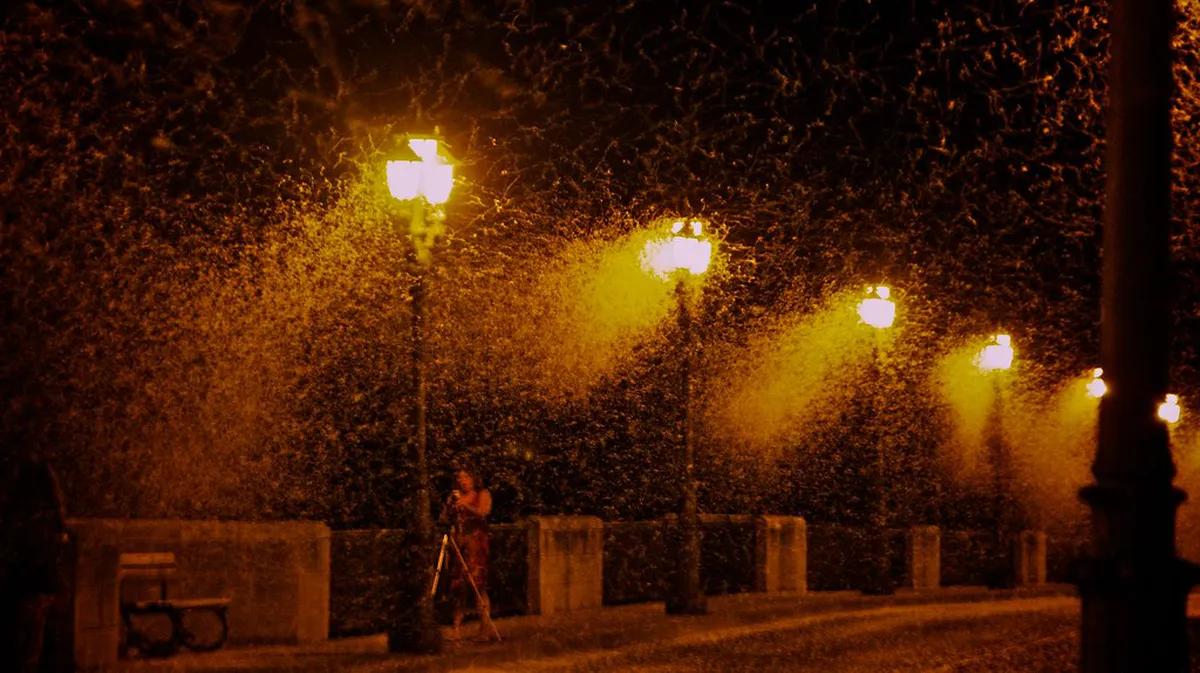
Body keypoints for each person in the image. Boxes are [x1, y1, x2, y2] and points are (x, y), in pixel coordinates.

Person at [440, 467, 498, 642]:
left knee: (477, 585)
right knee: (458, 587)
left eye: (466, 477)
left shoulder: (482, 494)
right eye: (460, 477)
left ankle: (485, 628)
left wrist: (466, 506)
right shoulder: (455, 497)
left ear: (474, 478)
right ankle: (456, 629)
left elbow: (484, 512)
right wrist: (450, 506)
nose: (463, 481)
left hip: (476, 546)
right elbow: (443, 518)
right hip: (459, 546)